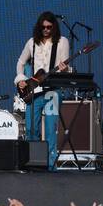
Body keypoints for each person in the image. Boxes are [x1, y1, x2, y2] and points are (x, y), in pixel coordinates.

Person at [14, 12, 70, 171]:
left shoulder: (62, 42)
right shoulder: (32, 42)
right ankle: (34, 162)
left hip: (53, 90)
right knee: (32, 128)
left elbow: (65, 69)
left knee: (51, 128)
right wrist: (21, 79)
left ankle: (51, 164)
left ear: (54, 27)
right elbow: (20, 62)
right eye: (43, 27)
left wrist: (65, 70)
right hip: (34, 91)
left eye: (49, 27)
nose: (46, 30)